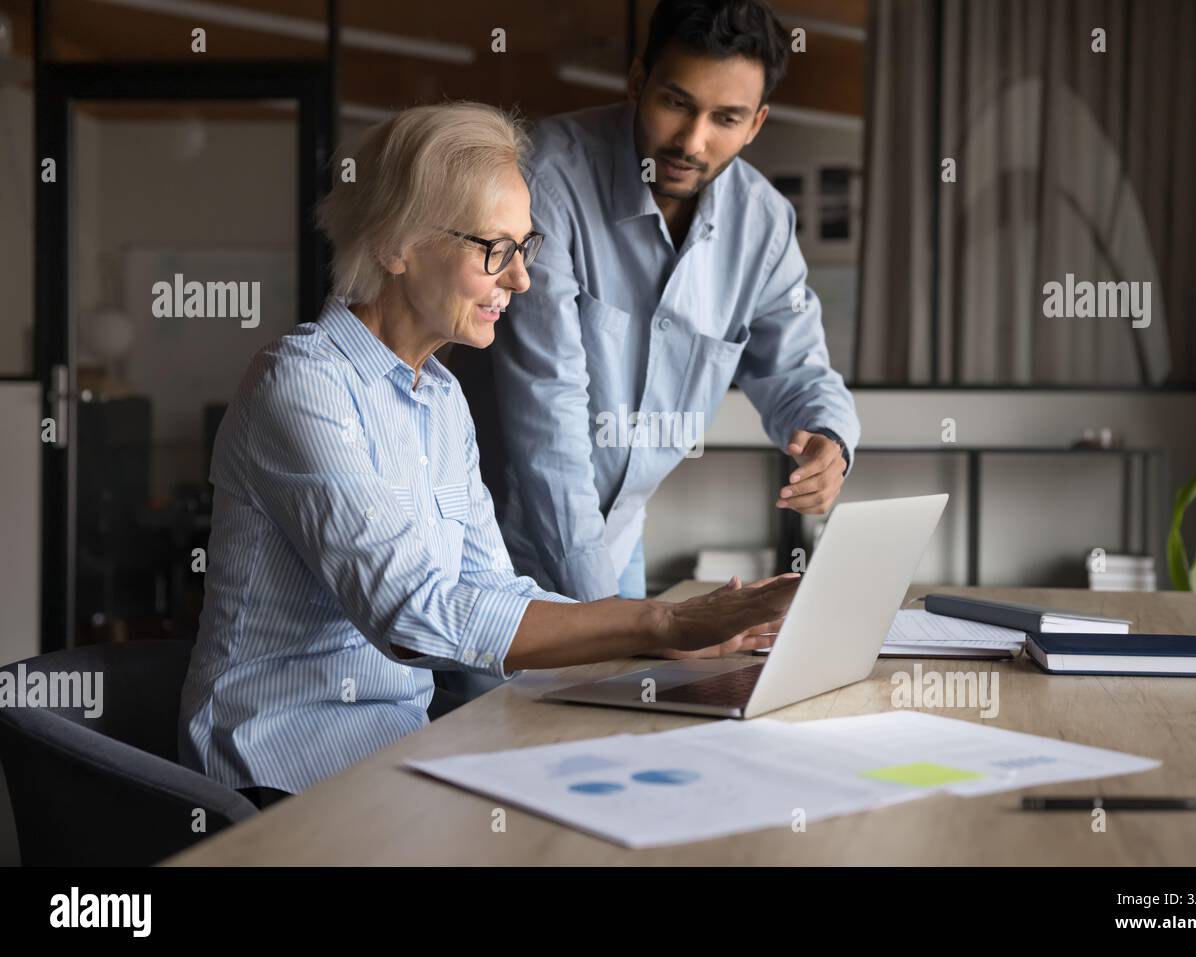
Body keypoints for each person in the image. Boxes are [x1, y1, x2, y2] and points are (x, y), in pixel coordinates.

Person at [177, 102, 798, 808]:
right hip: (278, 780)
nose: (520, 281)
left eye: (523, 249)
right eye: (493, 251)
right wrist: (658, 621)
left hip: (398, 759)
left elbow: (495, 593)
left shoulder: (440, 398)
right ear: (394, 243)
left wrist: (662, 643)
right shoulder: (300, 383)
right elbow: (412, 616)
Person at [480, 0, 860, 607]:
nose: (692, 140)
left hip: (616, 535)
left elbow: (796, 368)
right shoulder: (545, 181)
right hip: (500, 546)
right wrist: (622, 624)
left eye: (726, 118)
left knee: (626, 698)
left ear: (757, 122)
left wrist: (829, 438)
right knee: (507, 705)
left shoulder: (763, 224)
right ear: (638, 81)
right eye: (676, 103)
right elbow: (547, 417)